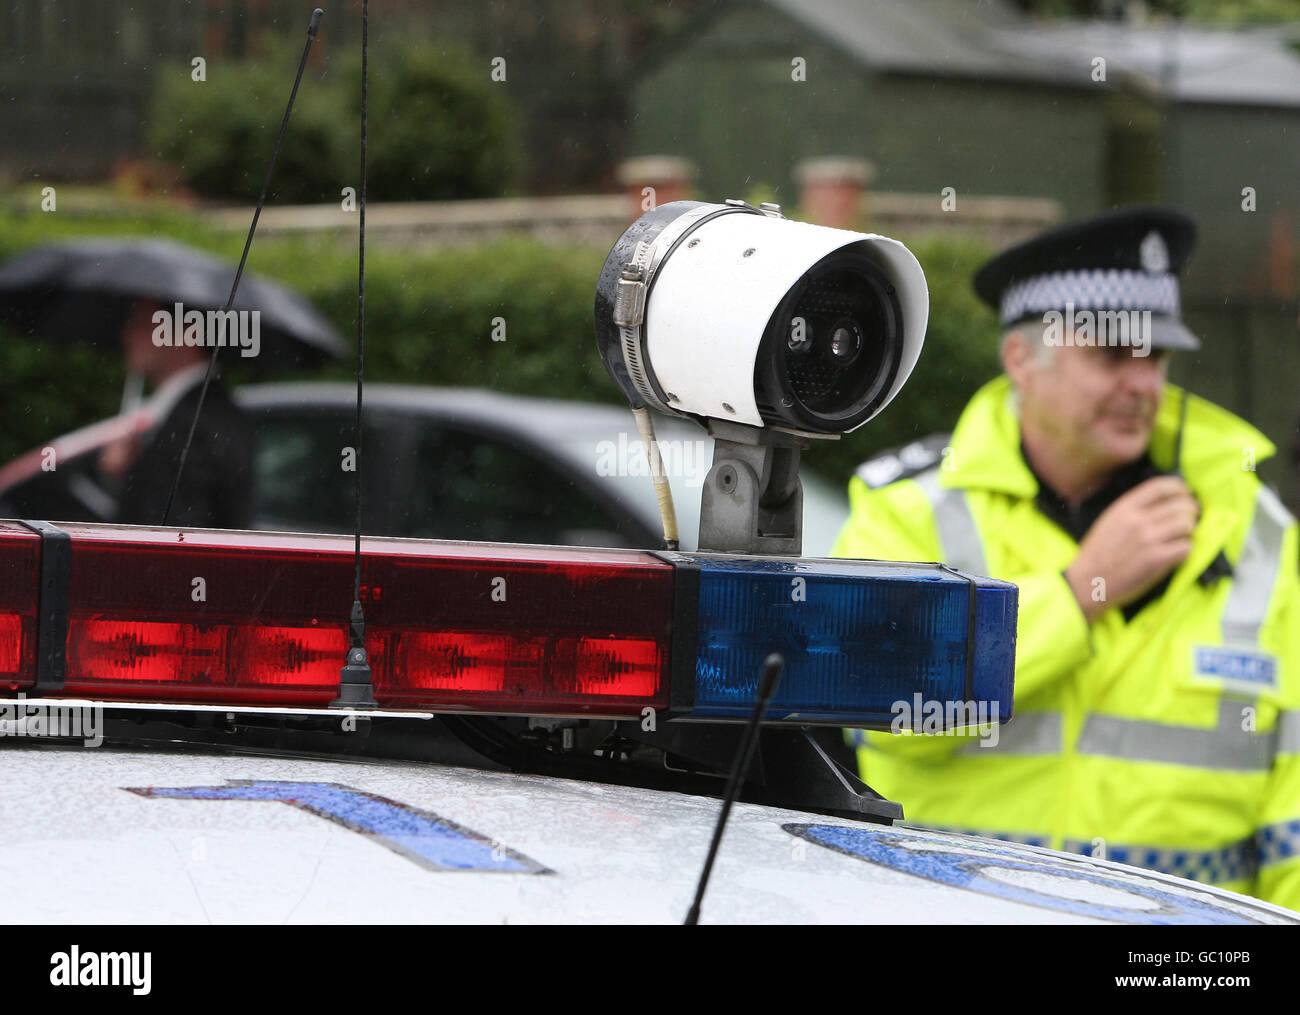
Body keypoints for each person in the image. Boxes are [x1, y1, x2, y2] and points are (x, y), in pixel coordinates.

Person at [832, 206, 1300, 910]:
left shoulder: (1255, 525)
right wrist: (1079, 592)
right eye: (1113, 354)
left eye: (1157, 354)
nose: (1143, 384)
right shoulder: (909, 511)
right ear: (1022, 358)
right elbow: (888, 714)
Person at [99, 299, 256, 529]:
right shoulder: (202, 411)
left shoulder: (194, 423)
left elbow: (172, 534)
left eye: (142, 324)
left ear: (187, 333)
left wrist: (133, 475)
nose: (127, 335)